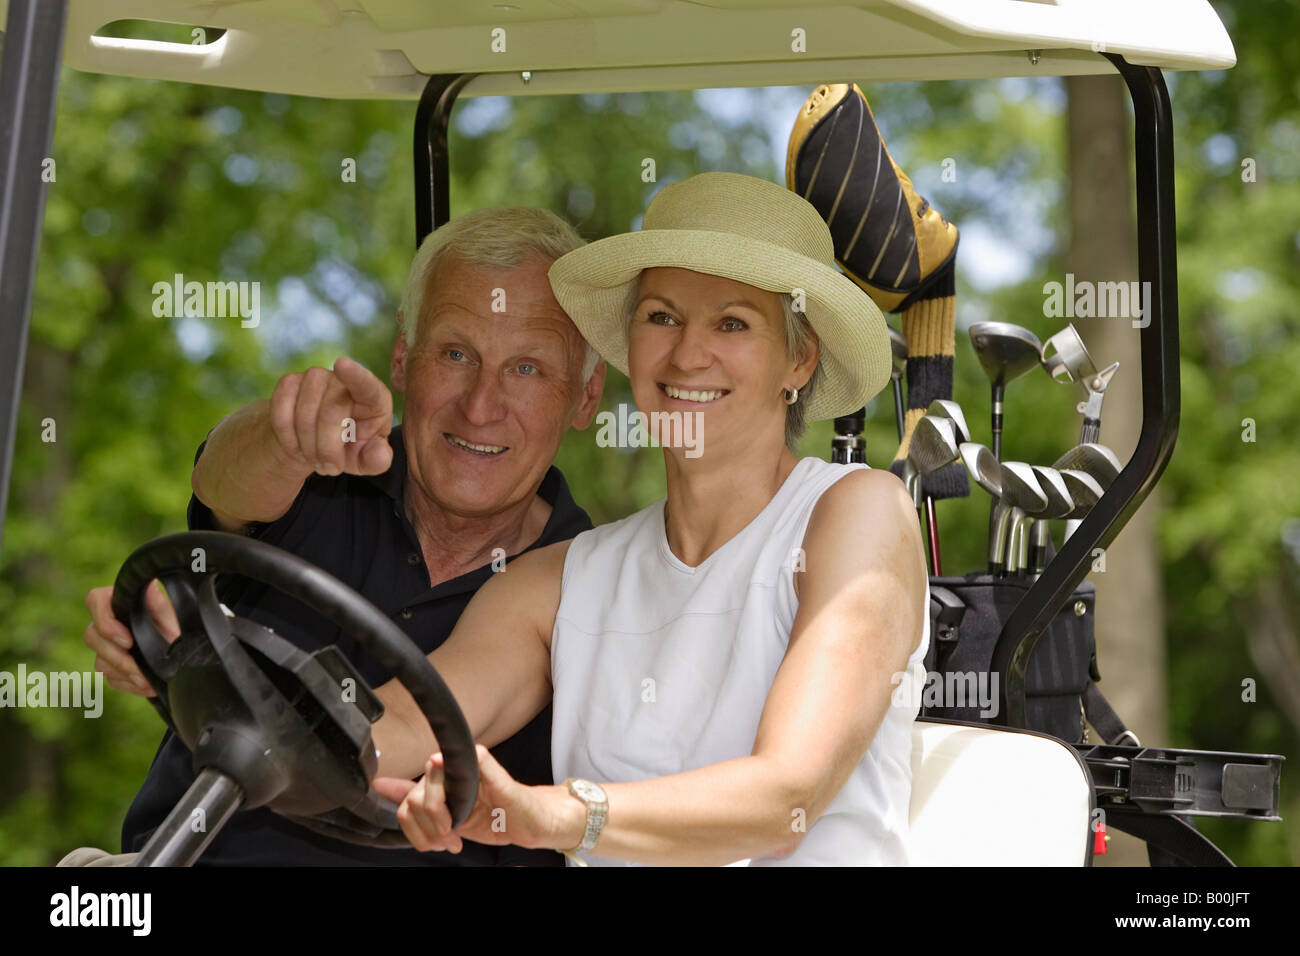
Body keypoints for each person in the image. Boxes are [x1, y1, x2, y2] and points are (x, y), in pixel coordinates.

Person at [367, 171, 932, 866]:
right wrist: (240, 717)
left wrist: (557, 814)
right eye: (661, 317)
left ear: (799, 357)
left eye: (733, 323)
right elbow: (392, 728)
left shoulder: (856, 512)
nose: (689, 355)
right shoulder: (554, 581)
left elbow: (785, 800)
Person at [76, 207, 607, 866]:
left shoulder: (589, 586)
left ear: (586, 398)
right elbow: (224, 478)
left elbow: (397, 731)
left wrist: (202, 674)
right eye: (454, 353)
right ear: (403, 359)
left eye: (526, 368)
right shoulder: (320, 473)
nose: (479, 404)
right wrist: (286, 434)